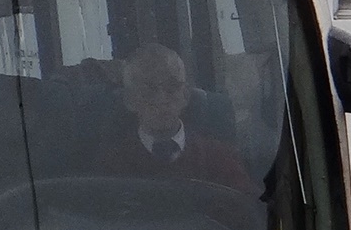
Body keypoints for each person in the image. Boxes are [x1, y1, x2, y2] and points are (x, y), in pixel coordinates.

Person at [101, 42, 253, 191]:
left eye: (172, 87)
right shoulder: (111, 165)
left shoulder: (220, 158)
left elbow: (250, 208)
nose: (161, 100)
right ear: (130, 100)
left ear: (185, 96)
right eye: (149, 90)